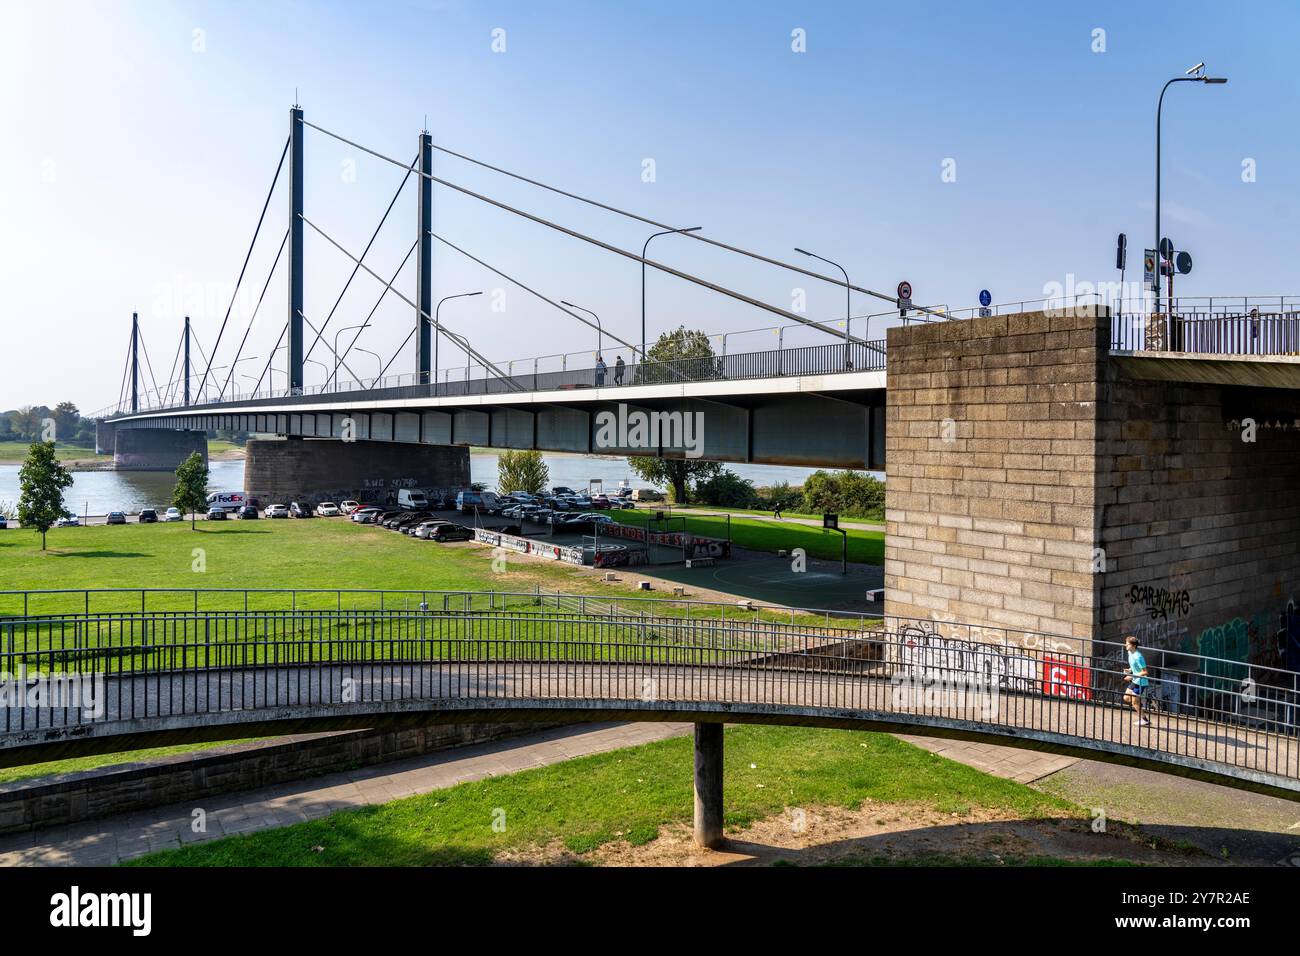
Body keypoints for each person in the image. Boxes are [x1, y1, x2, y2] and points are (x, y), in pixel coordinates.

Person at [1123, 635, 1154, 727]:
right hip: (1135, 680)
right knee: (1126, 698)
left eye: (1127, 644)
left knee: (1134, 702)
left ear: (1134, 646)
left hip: (1141, 682)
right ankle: (1139, 704)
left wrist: (1131, 676)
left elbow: (1145, 672)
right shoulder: (1130, 653)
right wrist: (1129, 670)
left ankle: (1145, 720)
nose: (1125, 645)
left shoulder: (1138, 656)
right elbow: (1134, 666)